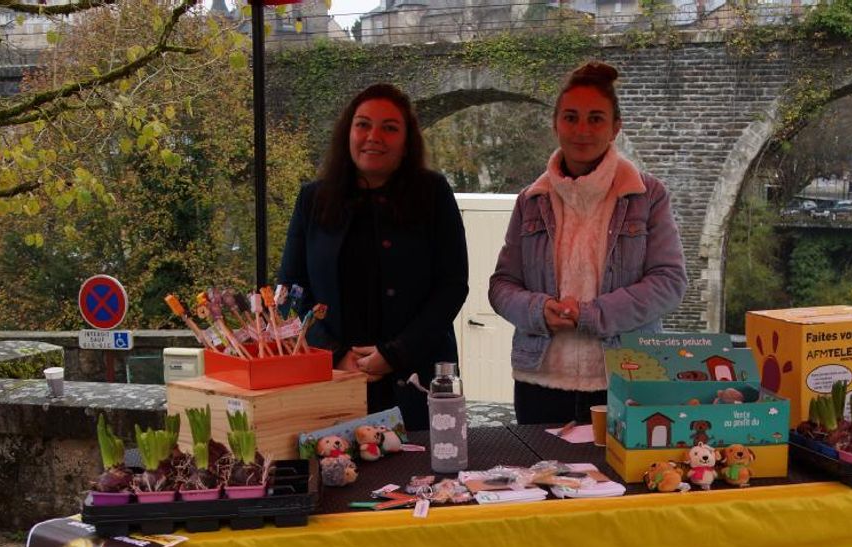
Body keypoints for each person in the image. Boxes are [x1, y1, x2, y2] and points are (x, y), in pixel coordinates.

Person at [488, 61, 687, 425]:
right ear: (555, 124)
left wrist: (591, 316)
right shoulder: (531, 199)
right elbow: (501, 287)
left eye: (595, 118)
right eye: (571, 117)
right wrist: (538, 309)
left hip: (626, 379)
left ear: (615, 128)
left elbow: (669, 283)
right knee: (543, 480)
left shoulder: (648, 196)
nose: (582, 130)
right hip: (539, 382)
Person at [278, 83, 469, 432]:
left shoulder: (433, 194)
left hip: (416, 378)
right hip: (332, 380)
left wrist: (395, 354)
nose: (373, 136)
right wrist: (334, 354)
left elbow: (452, 286)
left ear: (406, 140)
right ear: (347, 132)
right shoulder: (313, 199)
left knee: (424, 482)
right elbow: (289, 293)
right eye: (363, 124)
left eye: (389, 128)